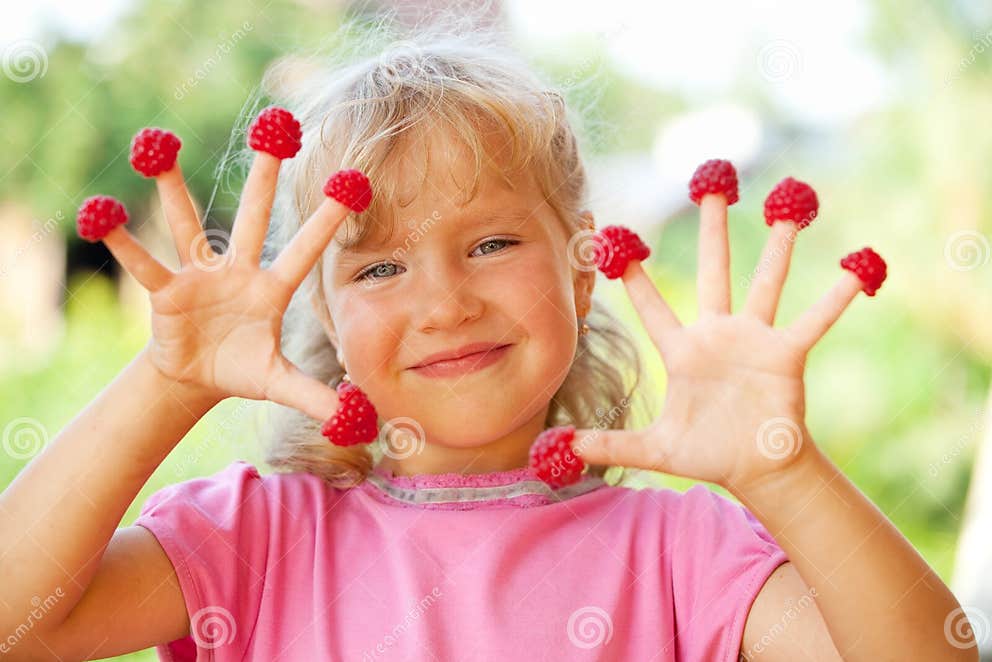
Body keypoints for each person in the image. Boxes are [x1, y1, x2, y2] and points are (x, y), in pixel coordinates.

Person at [0, 12, 975, 662]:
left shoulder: (683, 553)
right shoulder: (252, 537)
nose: (443, 302)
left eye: (492, 241)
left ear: (581, 265)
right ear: (324, 315)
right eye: (378, 266)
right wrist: (166, 382)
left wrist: (782, 468)